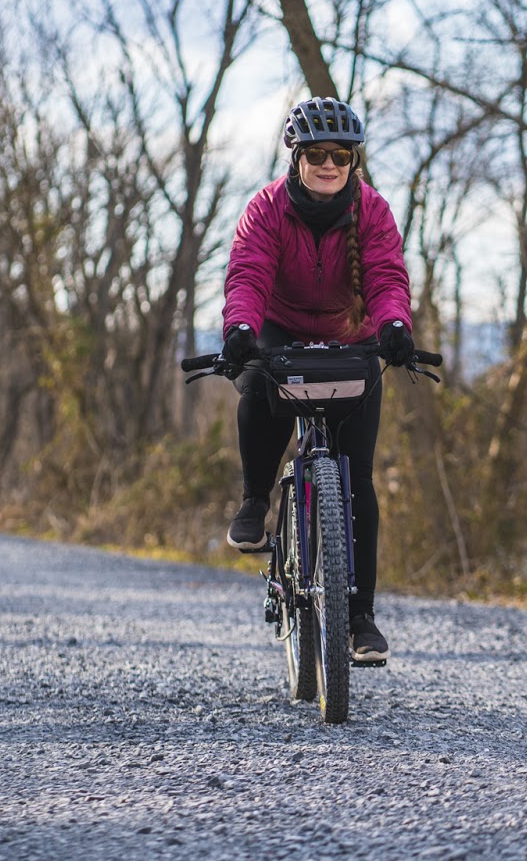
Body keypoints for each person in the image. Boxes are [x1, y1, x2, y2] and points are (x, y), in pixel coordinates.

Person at [218, 96, 416, 663]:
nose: (329, 164)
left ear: (354, 161)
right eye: (317, 154)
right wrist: (241, 328)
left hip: (351, 337)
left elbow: (386, 276)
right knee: (257, 384)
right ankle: (255, 502)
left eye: (341, 156)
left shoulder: (372, 211)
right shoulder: (267, 209)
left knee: (359, 480)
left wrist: (395, 325)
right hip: (278, 328)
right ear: (296, 157)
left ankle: (360, 619)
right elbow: (249, 272)